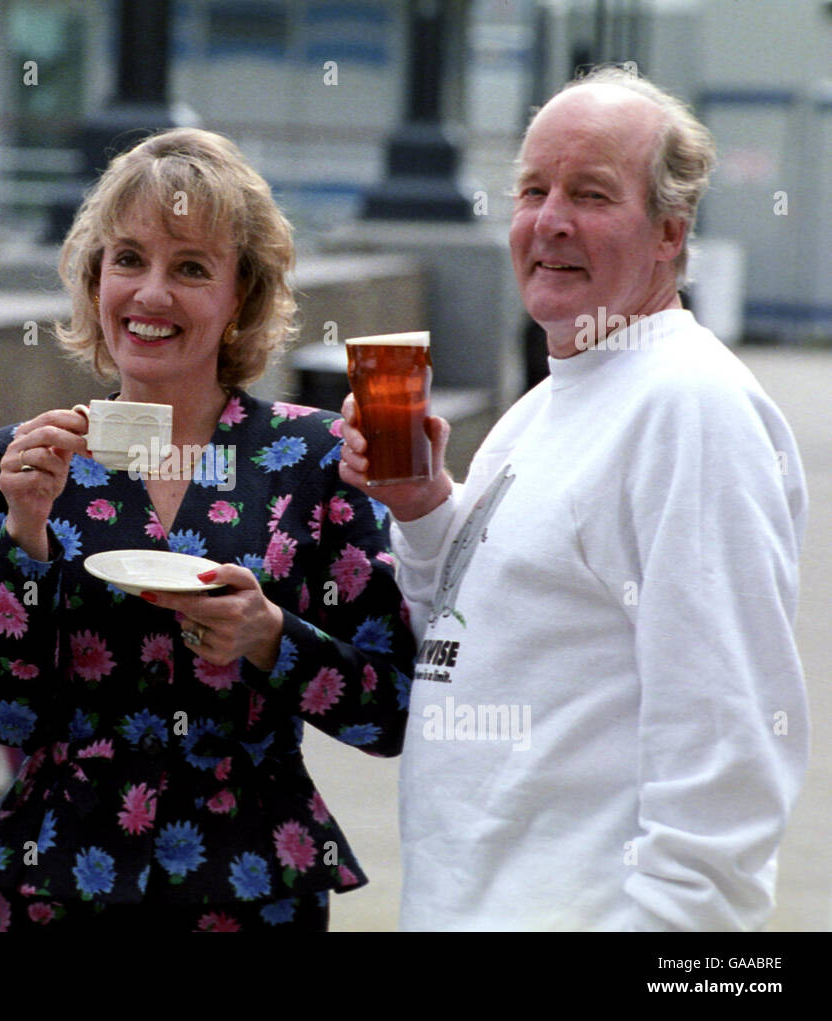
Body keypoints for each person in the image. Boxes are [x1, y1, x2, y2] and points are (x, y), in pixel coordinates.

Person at [341, 67, 808, 930]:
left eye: (591, 194)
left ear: (670, 232)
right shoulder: (552, 399)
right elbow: (468, 634)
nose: (549, 220)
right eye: (532, 189)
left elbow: (728, 753)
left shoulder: (690, 408)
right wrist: (420, 508)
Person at [0, 128, 415, 931]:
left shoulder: (311, 459)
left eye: (192, 267)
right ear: (94, 276)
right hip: (60, 882)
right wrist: (26, 530)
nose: (151, 293)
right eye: (128, 258)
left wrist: (272, 636)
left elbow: (388, 712)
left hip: (252, 884)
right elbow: (5, 717)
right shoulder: (24, 462)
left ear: (241, 296)